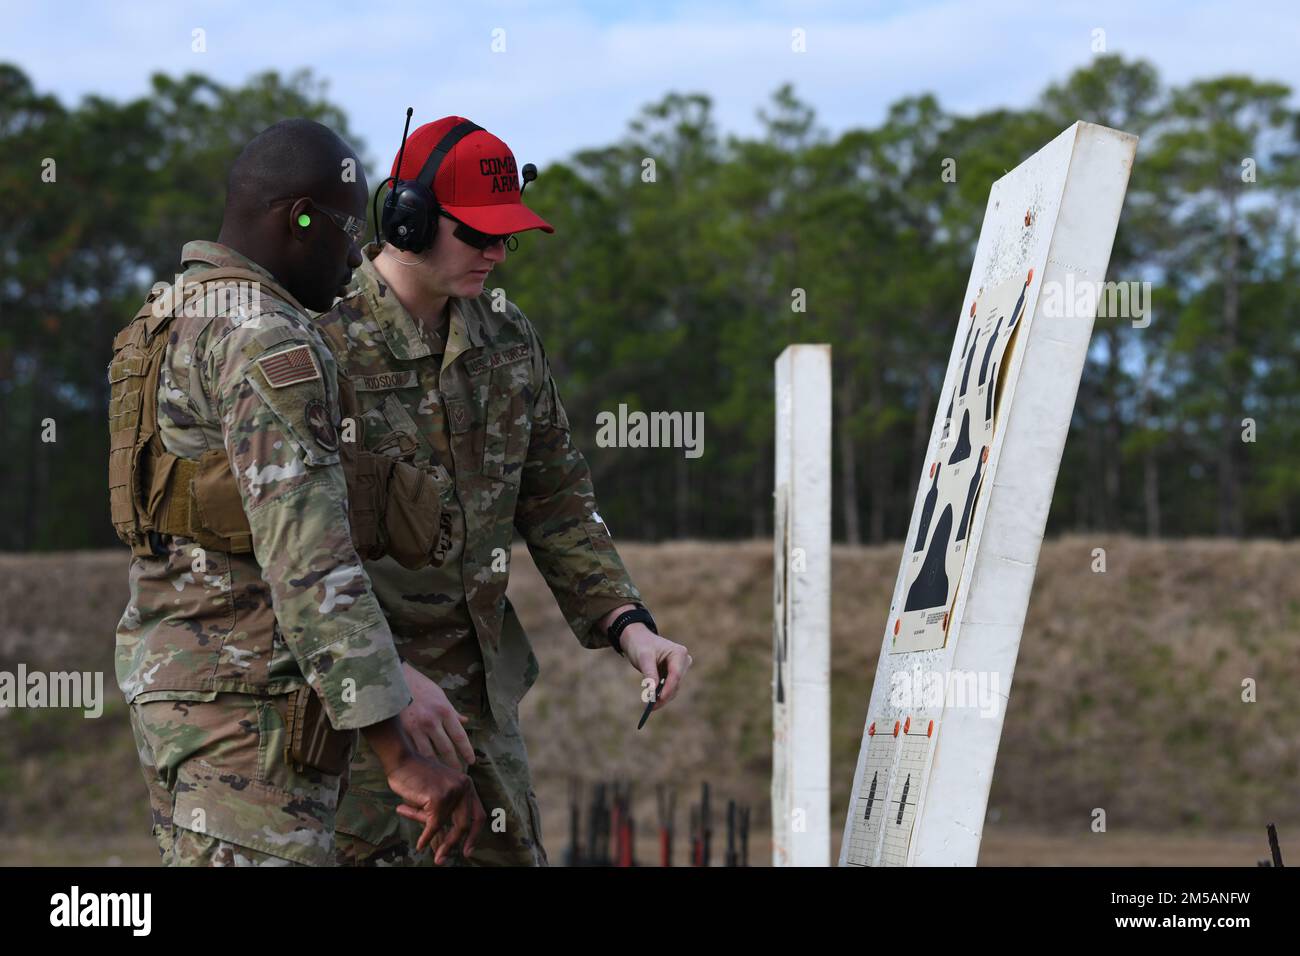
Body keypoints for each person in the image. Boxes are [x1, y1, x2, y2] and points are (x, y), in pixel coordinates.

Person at [315, 115, 692, 866]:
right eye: (478, 234)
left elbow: (555, 497)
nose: (496, 253)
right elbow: (288, 549)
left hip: (480, 708)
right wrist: (379, 678)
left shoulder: (506, 336)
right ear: (408, 220)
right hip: (358, 715)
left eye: (506, 237)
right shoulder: (319, 341)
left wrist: (628, 624)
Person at [109, 118, 484, 866]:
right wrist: (398, 750)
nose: (357, 256)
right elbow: (309, 557)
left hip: (182, 697)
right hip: (254, 721)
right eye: (347, 232)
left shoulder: (161, 319)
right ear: (299, 218)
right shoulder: (267, 336)